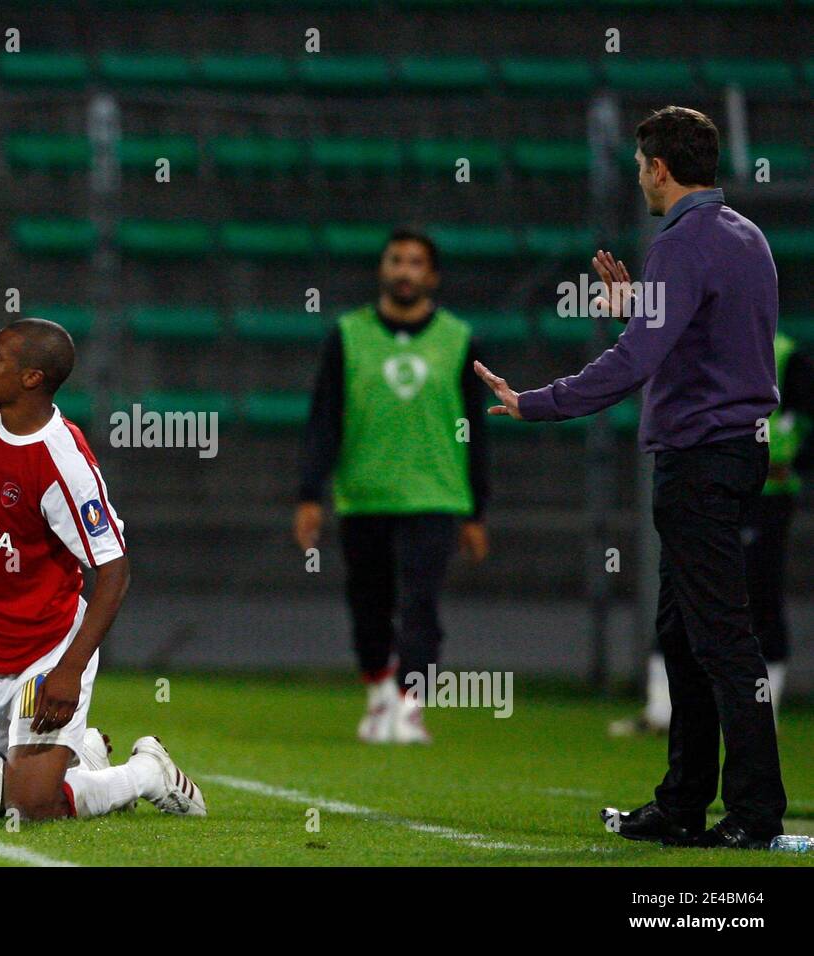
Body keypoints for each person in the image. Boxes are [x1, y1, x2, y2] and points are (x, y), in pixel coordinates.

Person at [476, 106, 786, 849]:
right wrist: (640, 311)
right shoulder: (746, 236)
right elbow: (702, 344)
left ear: (659, 168)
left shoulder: (680, 242)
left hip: (700, 461)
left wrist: (537, 402)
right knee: (684, 637)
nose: (640, 177)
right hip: (737, 452)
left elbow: (636, 365)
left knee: (721, 639)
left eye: (642, 165)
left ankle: (753, 810)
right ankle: (682, 803)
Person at [0, 318, 206, 820]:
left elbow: (114, 571)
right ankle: (82, 754)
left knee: (30, 807)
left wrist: (68, 672)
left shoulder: (63, 464)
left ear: (32, 378)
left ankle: (145, 774)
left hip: (42, 652)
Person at [294, 229, 490, 744]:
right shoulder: (348, 334)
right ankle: (379, 690)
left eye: (416, 262)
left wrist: (476, 512)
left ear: (433, 275)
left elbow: (476, 428)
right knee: (369, 602)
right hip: (364, 495)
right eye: (397, 260)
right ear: (383, 269)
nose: (405, 270)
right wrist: (309, 494)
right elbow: (324, 419)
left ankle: (410, 703)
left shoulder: (458, 338)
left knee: (421, 601)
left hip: (435, 496)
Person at [610, 330, 814, 737]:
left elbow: (807, 423)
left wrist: (793, 463)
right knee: (681, 590)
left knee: (757, 593)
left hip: (765, 495)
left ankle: (759, 715)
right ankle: (662, 711)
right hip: (704, 484)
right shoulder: (696, 340)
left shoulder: (787, 355)